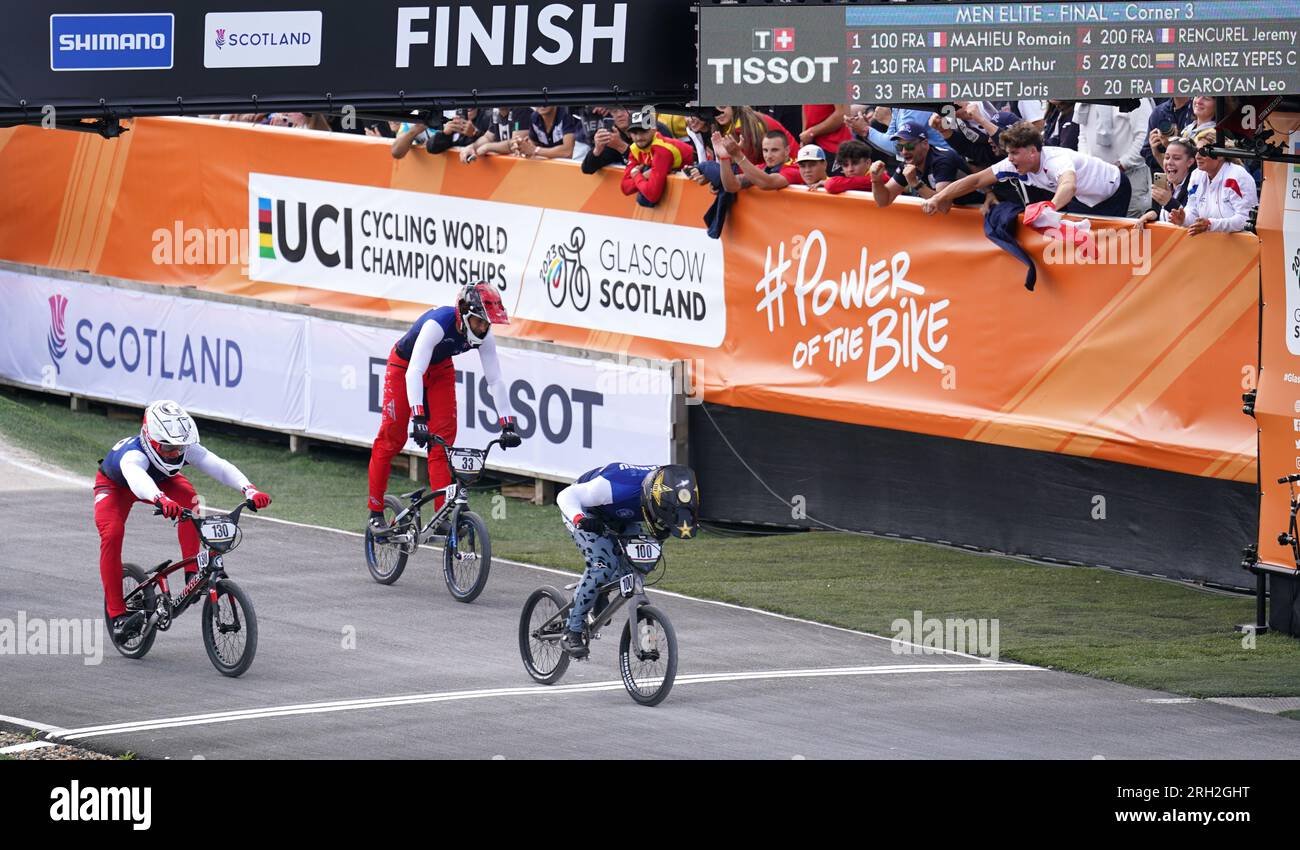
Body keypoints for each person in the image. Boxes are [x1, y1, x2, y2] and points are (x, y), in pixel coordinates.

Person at [95, 401, 271, 640]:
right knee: (112, 534)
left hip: (158, 483)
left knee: (191, 499)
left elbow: (218, 466)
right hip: (115, 487)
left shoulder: (180, 448)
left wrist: (249, 489)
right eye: (168, 448)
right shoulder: (133, 455)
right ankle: (117, 614)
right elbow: (137, 478)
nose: (176, 453)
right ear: (150, 440)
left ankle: (192, 574)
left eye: (180, 447)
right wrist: (160, 498)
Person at [367, 283, 522, 532]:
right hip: (405, 366)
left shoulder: (484, 335)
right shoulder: (436, 325)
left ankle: (441, 516)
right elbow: (414, 372)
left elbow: (495, 379)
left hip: (440, 369)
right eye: (479, 322)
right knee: (391, 439)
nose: (483, 329)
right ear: (463, 315)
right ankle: (375, 510)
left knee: (442, 443)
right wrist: (418, 417)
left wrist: (507, 423)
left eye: (487, 324)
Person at [555, 463, 700, 657]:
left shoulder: (678, 493)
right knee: (603, 564)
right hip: (587, 510)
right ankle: (571, 631)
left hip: (622, 515)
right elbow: (565, 496)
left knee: (635, 567)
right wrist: (579, 518)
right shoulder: (613, 486)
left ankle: (599, 592)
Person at [922, 122, 1132, 219]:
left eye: (1014, 153)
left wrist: (1050, 207)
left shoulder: (1057, 160)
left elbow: (1068, 185)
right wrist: (938, 198)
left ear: (1033, 152)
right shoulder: (1012, 164)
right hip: (1085, 197)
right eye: (1008, 153)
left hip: (1114, 190)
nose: (1009, 159)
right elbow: (976, 181)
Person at [870, 121, 981, 208]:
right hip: (961, 217)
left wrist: (915, 183)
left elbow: (943, 206)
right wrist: (876, 181)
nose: (904, 152)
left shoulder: (942, 160)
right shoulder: (907, 165)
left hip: (981, 208)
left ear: (925, 143)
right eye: (899, 147)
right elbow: (883, 201)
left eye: (909, 146)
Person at [1075, 98, 1153, 216]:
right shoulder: (1086, 98)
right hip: (1097, 181)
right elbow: (1082, 136)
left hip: (1131, 177)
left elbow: (1144, 136)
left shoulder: (1134, 94)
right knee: (1105, 229)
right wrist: (1089, 166)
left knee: (1134, 228)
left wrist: (1122, 165)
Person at [1169, 139, 1258, 235]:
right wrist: (1183, 219)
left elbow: (1246, 220)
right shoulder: (1196, 175)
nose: (1197, 157)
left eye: (1203, 152)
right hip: (1210, 245)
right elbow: (1193, 211)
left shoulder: (1238, 176)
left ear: (1219, 155)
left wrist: (1210, 224)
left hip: (1240, 246)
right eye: (1196, 152)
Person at [1135, 137, 1196, 229]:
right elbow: (1159, 209)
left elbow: (1190, 219)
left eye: (1176, 158)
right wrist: (1152, 213)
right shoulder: (1164, 183)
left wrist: (1169, 202)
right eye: (1167, 157)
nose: (1169, 162)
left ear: (1190, 162)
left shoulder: (1195, 185)